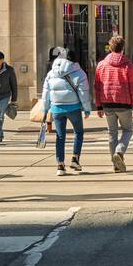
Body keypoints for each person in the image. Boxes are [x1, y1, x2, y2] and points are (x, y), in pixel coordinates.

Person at [42, 47, 92, 175]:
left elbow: (46, 92)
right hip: (74, 107)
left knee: (60, 136)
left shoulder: (51, 72)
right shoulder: (79, 72)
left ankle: (60, 165)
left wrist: (45, 108)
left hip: (56, 108)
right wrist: (87, 109)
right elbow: (83, 92)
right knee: (79, 132)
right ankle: (75, 159)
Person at [94, 35, 133, 171]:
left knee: (112, 133)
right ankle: (119, 151)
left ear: (110, 47)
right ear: (122, 48)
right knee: (128, 130)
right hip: (124, 103)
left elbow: (97, 86)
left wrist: (98, 106)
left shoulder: (101, 65)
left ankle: (116, 165)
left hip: (107, 103)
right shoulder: (128, 65)